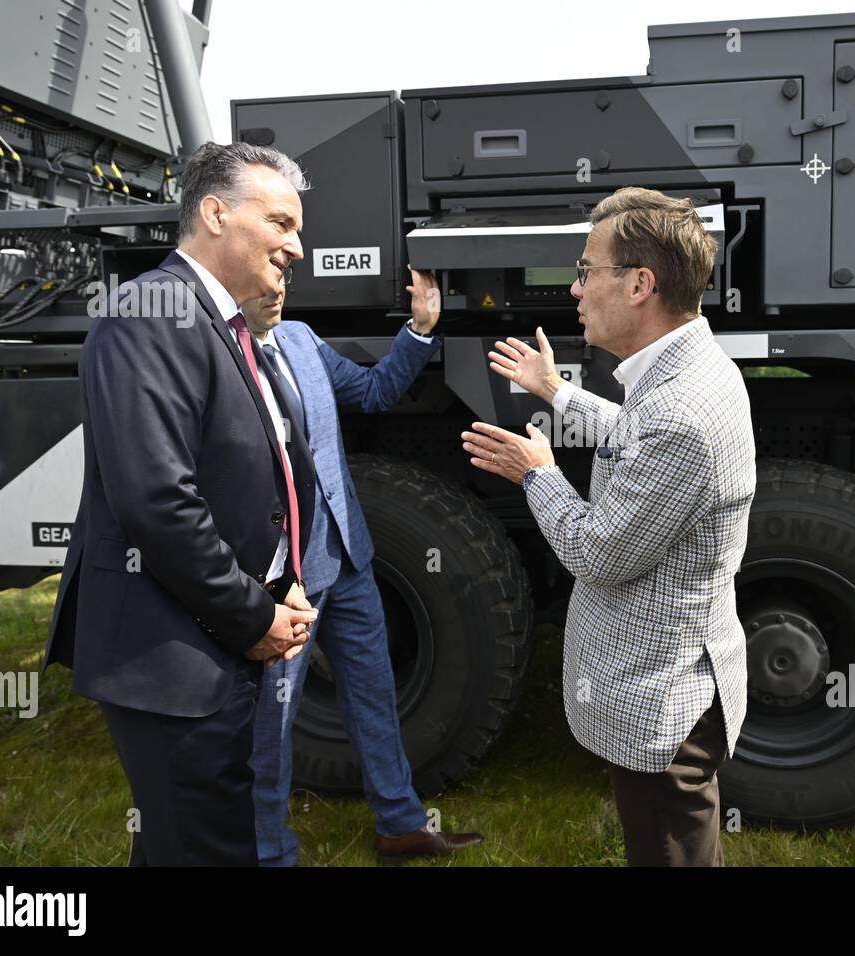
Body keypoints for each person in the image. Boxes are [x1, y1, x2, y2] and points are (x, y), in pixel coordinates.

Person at [460, 186, 756, 866]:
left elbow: (596, 552)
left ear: (640, 285)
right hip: (678, 690)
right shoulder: (695, 370)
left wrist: (537, 472)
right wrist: (555, 391)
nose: (575, 288)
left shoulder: (682, 409)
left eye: (588, 270)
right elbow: (635, 435)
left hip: (666, 707)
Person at [44, 142, 320, 866]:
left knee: (191, 841)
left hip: (210, 640)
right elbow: (158, 503)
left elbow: (249, 478)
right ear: (215, 211)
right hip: (169, 654)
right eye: (282, 223)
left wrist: (277, 582)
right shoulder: (150, 314)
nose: (296, 246)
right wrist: (254, 614)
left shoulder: (226, 324)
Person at [242, 274, 484, 862]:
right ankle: (269, 853)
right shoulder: (217, 354)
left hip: (347, 558)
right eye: (266, 274)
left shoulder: (300, 338)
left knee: (374, 695)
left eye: (285, 276)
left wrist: (421, 327)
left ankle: (400, 825)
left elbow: (374, 393)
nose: (278, 287)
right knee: (272, 725)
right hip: (283, 580)